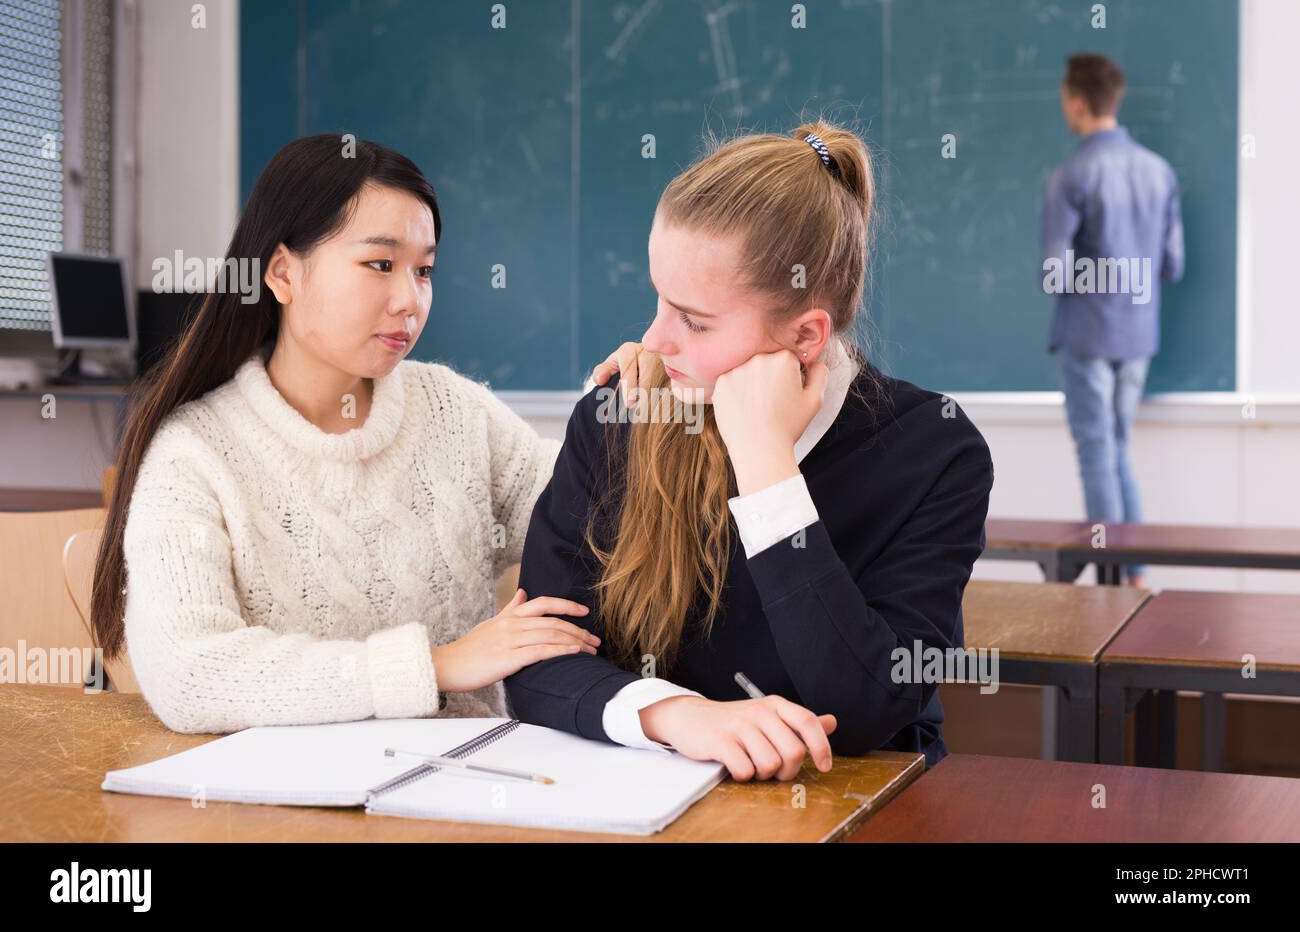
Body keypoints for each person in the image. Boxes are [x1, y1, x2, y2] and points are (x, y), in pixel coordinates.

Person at [90, 134, 639, 733]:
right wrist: (438, 666)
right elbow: (189, 675)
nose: (410, 299)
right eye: (380, 264)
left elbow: (601, 526)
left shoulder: (455, 412)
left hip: (470, 785)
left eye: (424, 270)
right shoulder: (194, 454)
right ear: (282, 273)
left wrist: (630, 407)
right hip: (282, 807)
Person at [504, 121, 994, 779]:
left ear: (806, 337)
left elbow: (865, 709)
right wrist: (676, 716)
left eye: (695, 321)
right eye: (659, 301)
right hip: (649, 789)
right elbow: (536, 659)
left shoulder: (935, 450)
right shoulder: (619, 416)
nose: (656, 339)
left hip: (852, 801)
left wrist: (767, 463)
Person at [1043, 53, 1185, 588]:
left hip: (1089, 335)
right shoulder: (1160, 172)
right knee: (1118, 445)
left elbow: (1055, 273)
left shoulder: (1071, 176)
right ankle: (1136, 575)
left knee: (1097, 453)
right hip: (1139, 336)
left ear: (1076, 102)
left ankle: (1111, 583)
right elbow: (1172, 265)